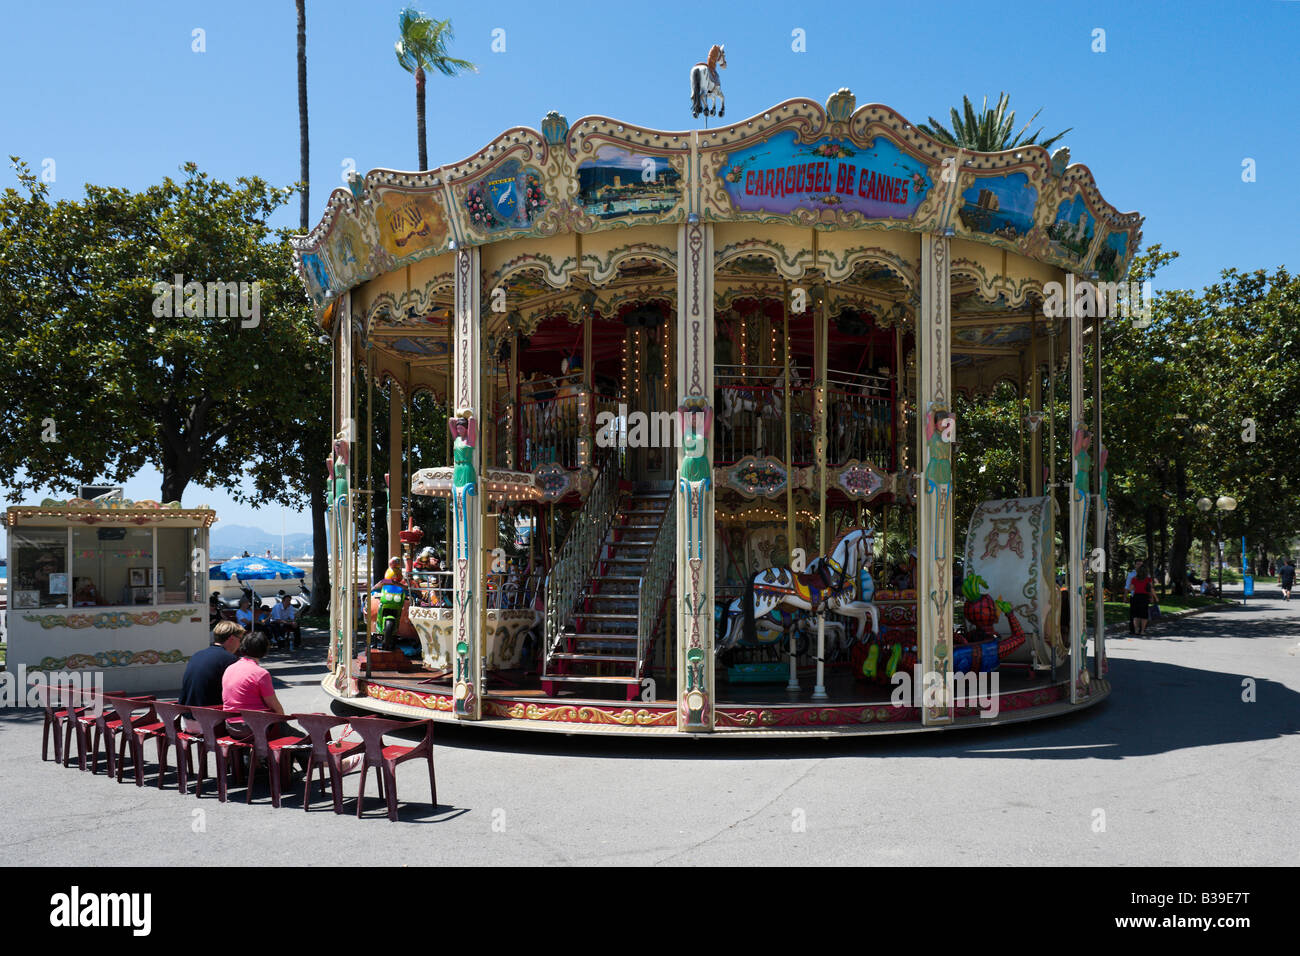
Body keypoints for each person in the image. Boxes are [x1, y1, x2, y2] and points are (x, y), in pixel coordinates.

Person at [180, 621, 244, 729]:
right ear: (231, 638)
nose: (240, 644)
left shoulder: (197, 655)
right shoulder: (230, 660)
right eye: (240, 639)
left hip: (186, 721)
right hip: (208, 722)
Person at [1130, 566, 1155, 636]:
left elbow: (1131, 588)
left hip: (1136, 596)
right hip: (1144, 597)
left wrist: (1136, 587)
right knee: (1144, 614)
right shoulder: (1148, 579)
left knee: (1136, 614)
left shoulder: (1134, 579)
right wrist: (1152, 598)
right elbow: (1150, 589)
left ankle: (1136, 630)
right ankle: (1142, 631)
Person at [1123, 559, 1144, 634]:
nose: (1139, 566)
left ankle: (1141, 629)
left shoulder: (1146, 574)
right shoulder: (1131, 574)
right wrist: (1125, 597)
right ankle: (1133, 629)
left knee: (1142, 613)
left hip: (1143, 597)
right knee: (1133, 613)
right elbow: (1127, 586)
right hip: (1134, 596)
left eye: (1141, 564)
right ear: (1135, 565)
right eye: (1138, 564)